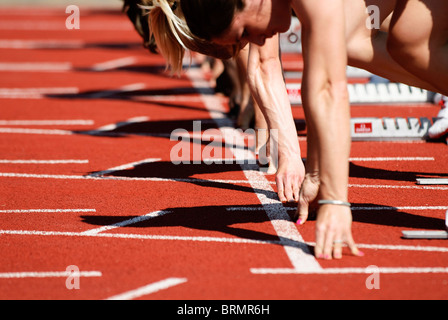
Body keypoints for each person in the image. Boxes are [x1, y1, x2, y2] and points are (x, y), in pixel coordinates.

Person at [127, 0, 448, 260]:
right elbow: (275, 70)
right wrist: (313, 172)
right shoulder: (270, 11)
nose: (257, 42)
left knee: (354, 41)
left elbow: (327, 89)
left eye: (247, 32)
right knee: (401, 41)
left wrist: (336, 202)